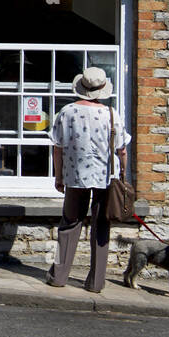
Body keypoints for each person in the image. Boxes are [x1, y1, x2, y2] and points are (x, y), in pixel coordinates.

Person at [45, 66, 131, 293]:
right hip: (105, 178)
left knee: (69, 224)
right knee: (101, 225)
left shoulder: (67, 112)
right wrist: (123, 173)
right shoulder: (111, 114)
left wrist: (59, 175)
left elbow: (58, 148)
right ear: (102, 90)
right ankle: (96, 282)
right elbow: (122, 150)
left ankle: (59, 277)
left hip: (75, 176)